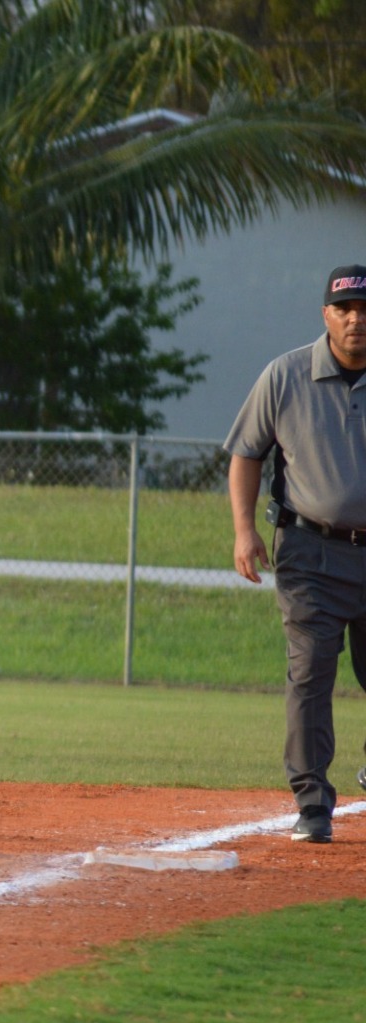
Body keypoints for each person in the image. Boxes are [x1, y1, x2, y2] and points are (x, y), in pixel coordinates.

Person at [226, 263, 366, 843]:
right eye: (346, 309)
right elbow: (246, 452)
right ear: (325, 315)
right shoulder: (285, 376)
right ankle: (313, 804)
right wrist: (243, 530)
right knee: (310, 674)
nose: (357, 320)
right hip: (311, 550)